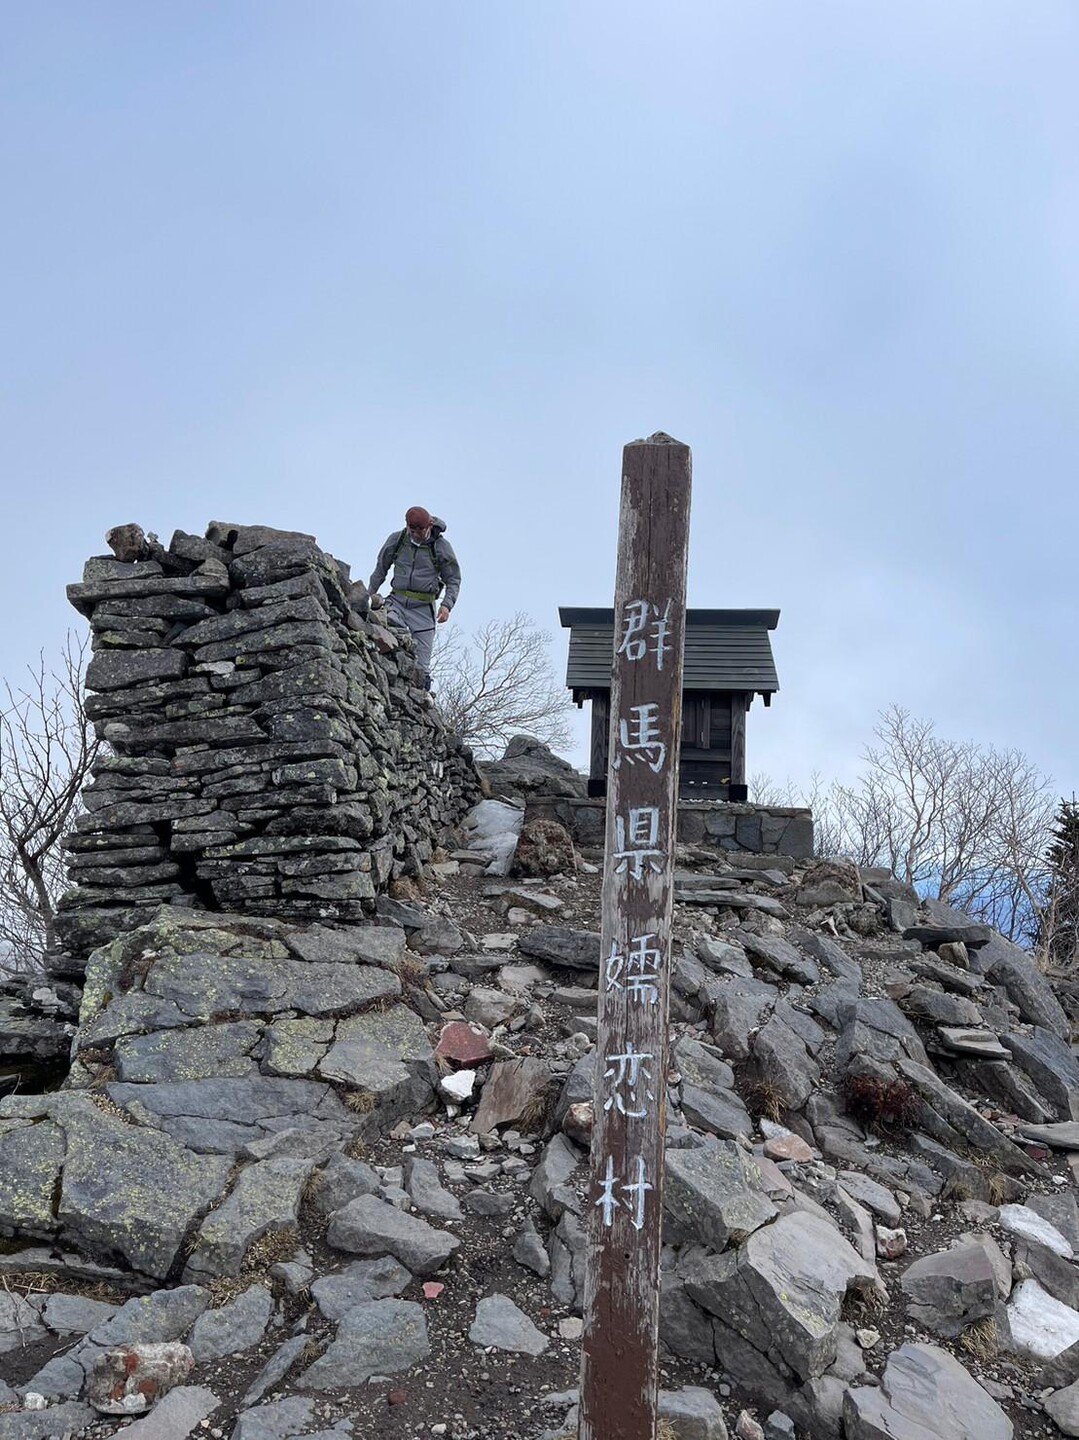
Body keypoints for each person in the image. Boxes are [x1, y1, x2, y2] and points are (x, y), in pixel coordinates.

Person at [368, 507, 461, 683]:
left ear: (430, 525)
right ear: (407, 526)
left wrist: (447, 605)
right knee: (383, 636)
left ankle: (419, 699)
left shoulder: (441, 547)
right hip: (396, 602)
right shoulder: (397, 540)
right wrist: (367, 595)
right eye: (412, 530)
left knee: (422, 670)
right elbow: (381, 569)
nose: (416, 535)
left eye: (421, 530)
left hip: (423, 610)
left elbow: (454, 579)